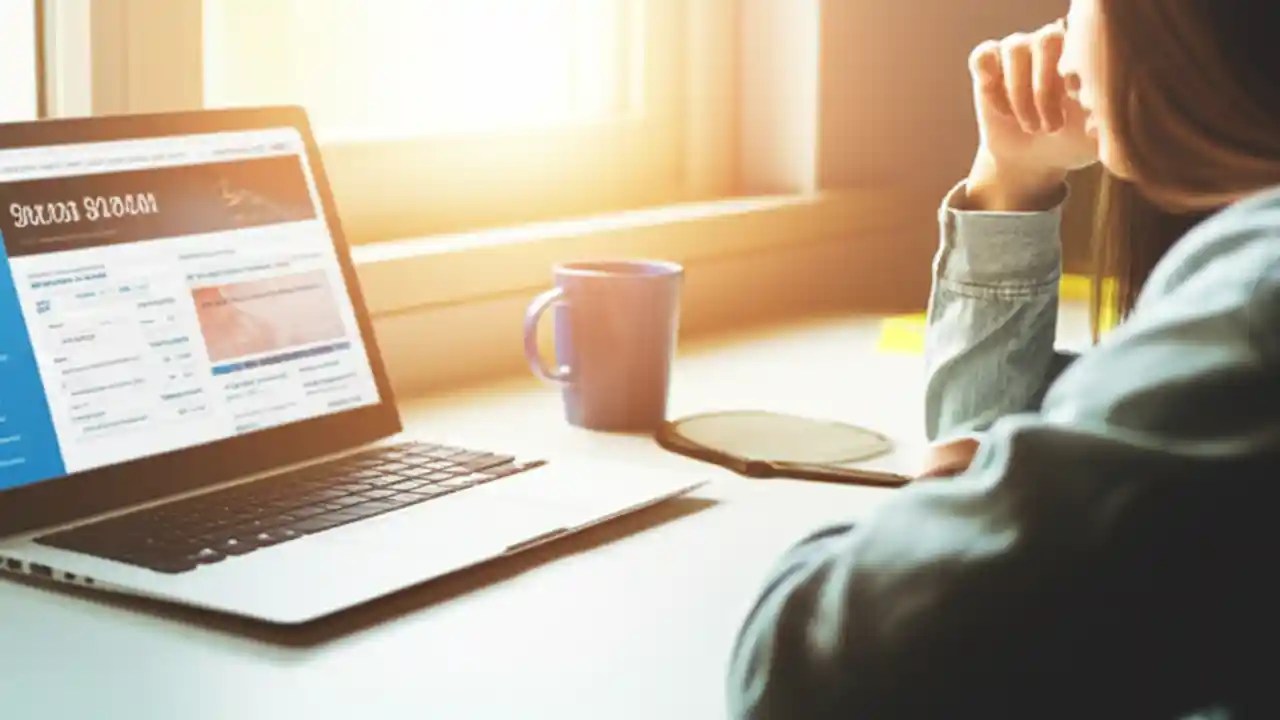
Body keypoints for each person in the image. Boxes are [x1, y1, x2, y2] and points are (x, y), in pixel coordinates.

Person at [727, 1, 1280, 718]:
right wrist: (1013, 177)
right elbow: (1012, 476)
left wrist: (939, 492)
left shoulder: (1258, 311)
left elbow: (806, 675)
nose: (1063, 44)